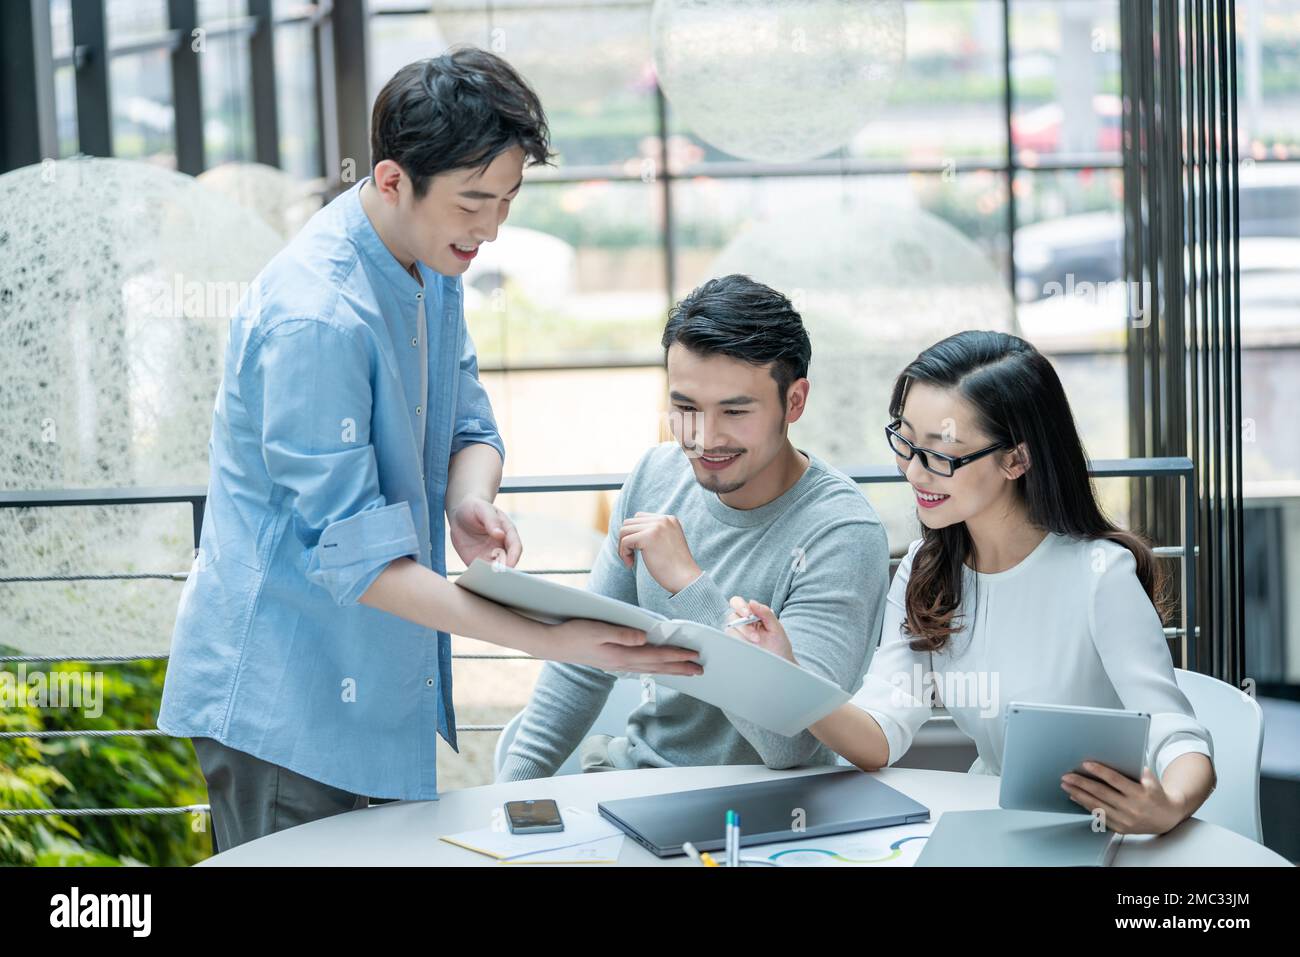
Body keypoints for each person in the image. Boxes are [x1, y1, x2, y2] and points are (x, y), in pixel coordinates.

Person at [157, 48, 699, 853]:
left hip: (376, 684)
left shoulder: (429, 255)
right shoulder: (318, 315)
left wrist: (466, 496)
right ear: (389, 179)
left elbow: (468, 425)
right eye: (473, 201)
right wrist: (549, 638)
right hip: (286, 697)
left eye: (507, 200)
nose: (489, 228)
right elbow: (360, 563)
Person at [728, 329, 1216, 836]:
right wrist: (787, 672)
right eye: (906, 441)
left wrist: (1170, 804)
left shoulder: (1099, 575)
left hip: (1101, 832)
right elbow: (878, 737)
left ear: (1016, 459)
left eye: (942, 454)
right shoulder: (927, 569)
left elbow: (1178, 736)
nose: (914, 473)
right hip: (996, 825)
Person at [498, 274, 890, 780]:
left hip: (778, 810)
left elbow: (786, 744)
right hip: (639, 781)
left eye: (735, 411)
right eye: (685, 409)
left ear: (794, 402)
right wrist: (508, 796)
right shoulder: (655, 476)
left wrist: (690, 586)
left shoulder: (842, 532)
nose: (704, 438)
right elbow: (581, 661)